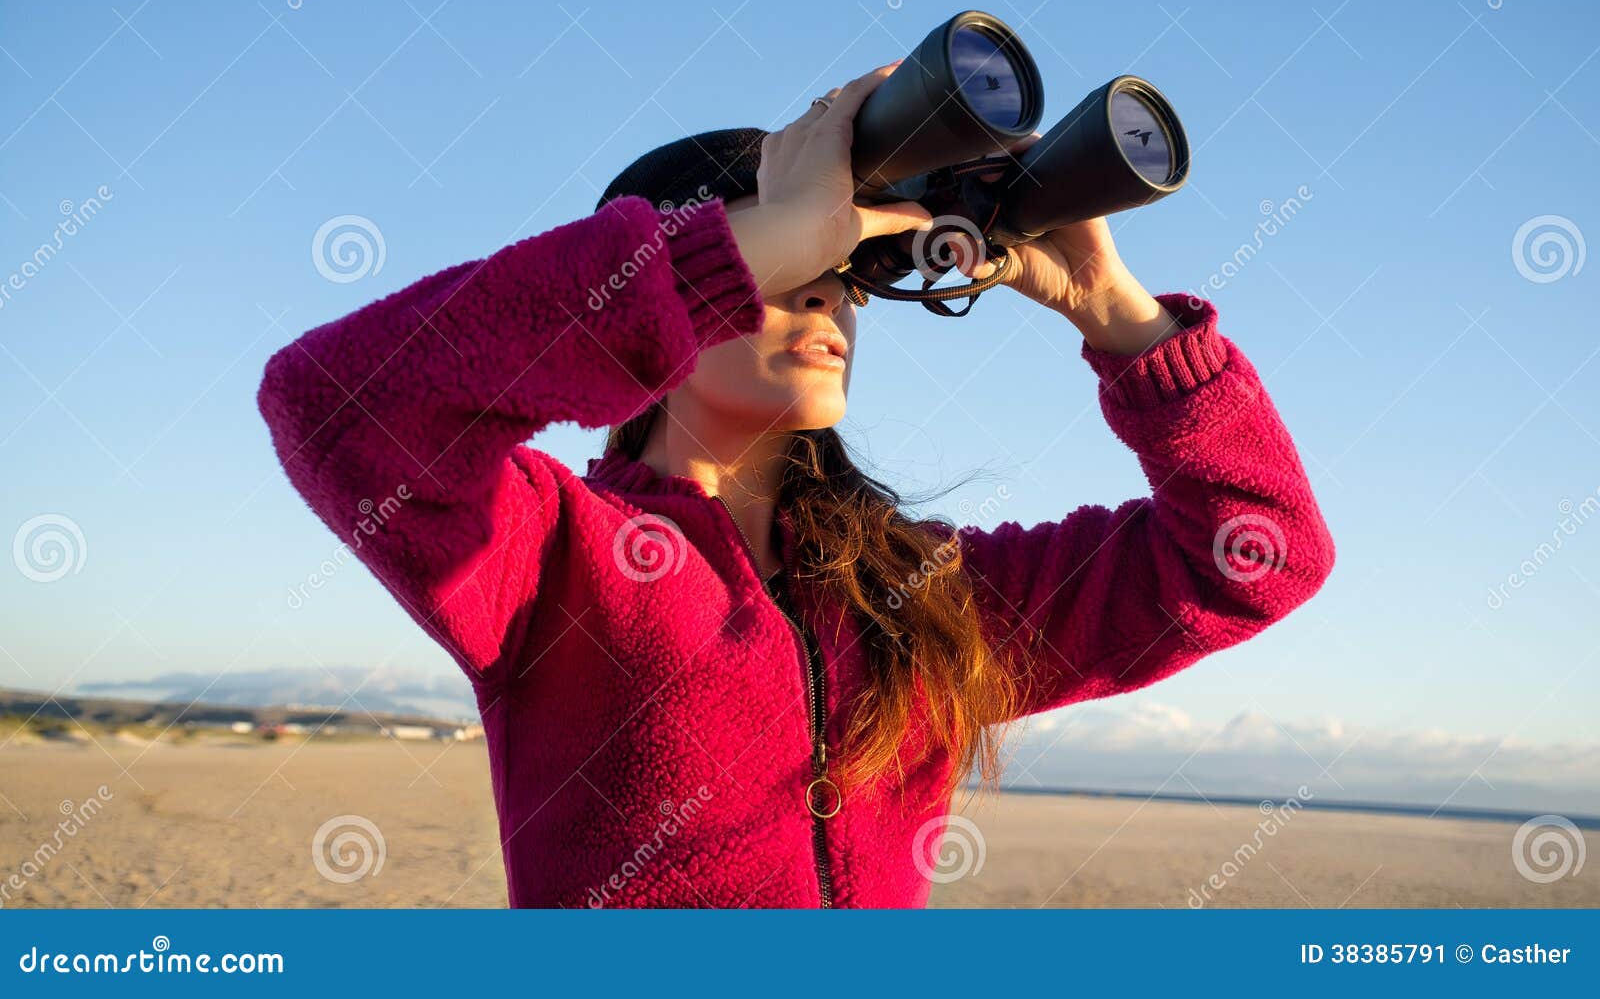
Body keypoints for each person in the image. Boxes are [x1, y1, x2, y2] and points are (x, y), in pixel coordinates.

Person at [257, 64, 1335, 908]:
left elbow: (1259, 555)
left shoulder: (922, 594)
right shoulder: (548, 551)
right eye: (780, 274)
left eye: (845, 275)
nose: (825, 299)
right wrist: (761, 237)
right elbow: (334, 406)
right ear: (666, 298)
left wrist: (1116, 312)